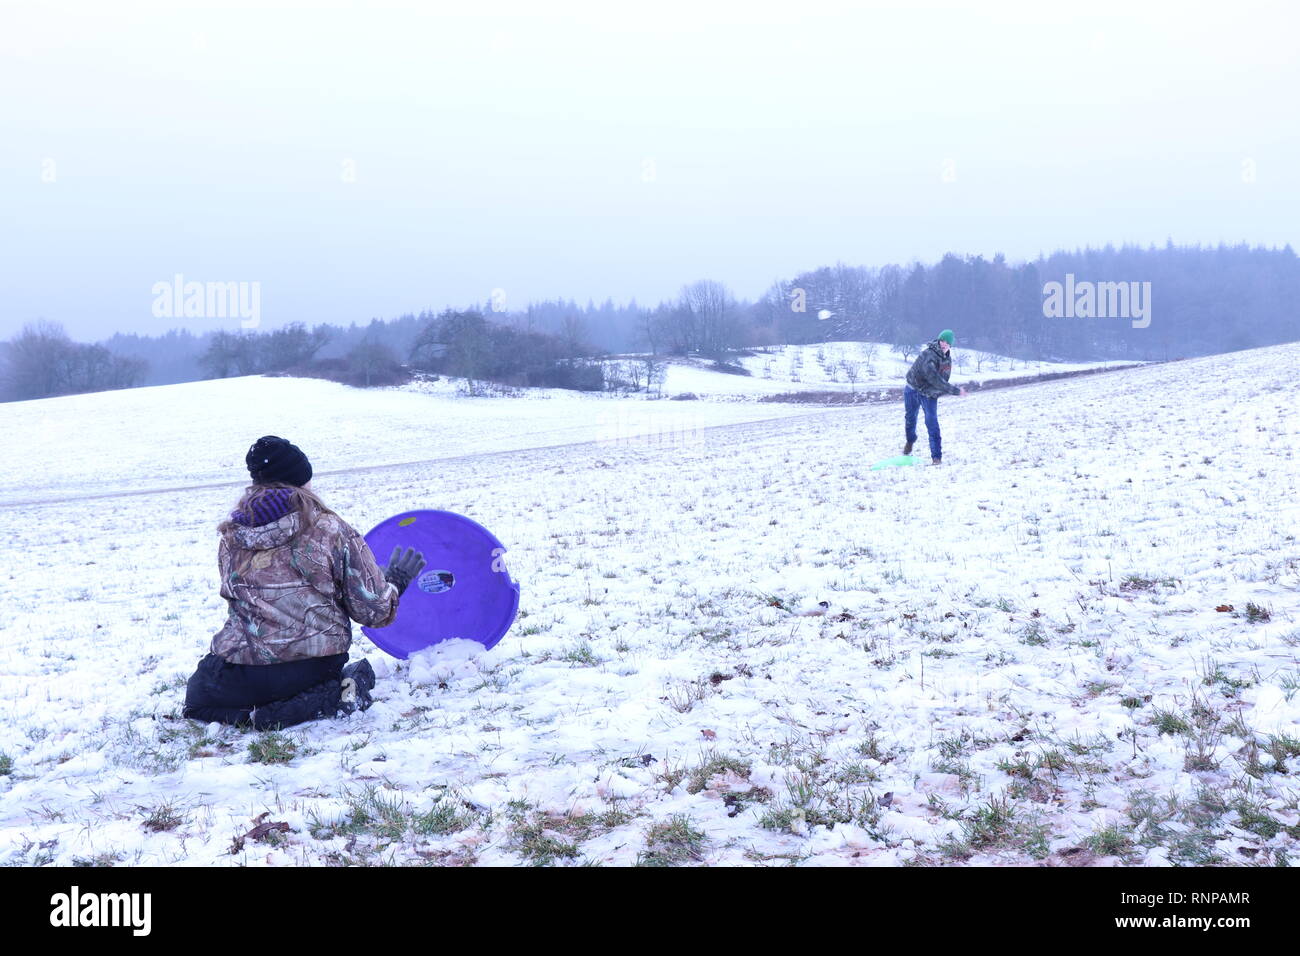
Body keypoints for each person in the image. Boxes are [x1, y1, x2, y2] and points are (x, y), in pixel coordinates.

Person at [182, 436, 426, 730]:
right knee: (311, 684)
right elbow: (372, 613)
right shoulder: (331, 529)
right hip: (311, 668)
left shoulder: (232, 536)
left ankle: (254, 716)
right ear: (301, 482)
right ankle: (333, 695)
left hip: (245, 669)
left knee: (197, 702)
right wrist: (394, 582)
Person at [903, 329, 967, 464]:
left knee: (932, 423)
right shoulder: (929, 354)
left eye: (947, 342)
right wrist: (955, 391)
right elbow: (934, 378)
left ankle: (936, 458)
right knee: (910, 418)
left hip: (929, 394)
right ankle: (910, 441)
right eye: (942, 340)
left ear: (950, 345)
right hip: (912, 389)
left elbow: (943, 379)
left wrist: (936, 393)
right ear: (939, 340)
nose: (944, 344)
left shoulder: (947, 361)